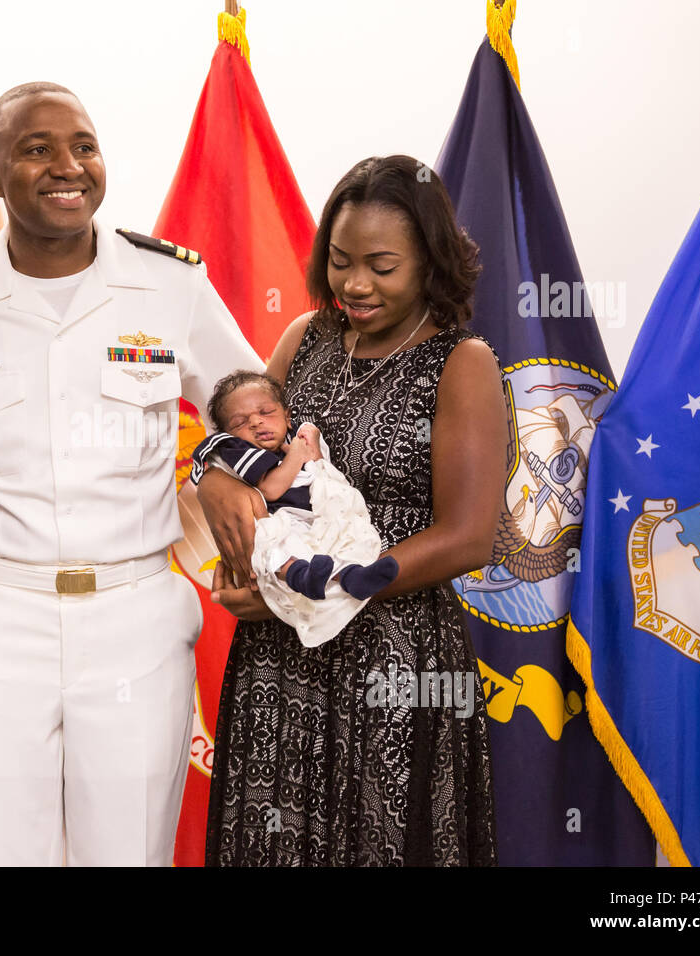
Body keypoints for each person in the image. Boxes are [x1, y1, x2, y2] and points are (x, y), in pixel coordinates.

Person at [0, 82, 262, 866]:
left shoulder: (169, 284)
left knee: (128, 855)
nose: (66, 166)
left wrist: (214, 466)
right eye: (36, 149)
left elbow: (246, 412)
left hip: (136, 616)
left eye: (83, 145)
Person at [194, 155, 507, 866]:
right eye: (339, 261)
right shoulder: (303, 338)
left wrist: (324, 590)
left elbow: (467, 538)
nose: (354, 285)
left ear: (430, 262)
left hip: (394, 660)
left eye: (381, 265)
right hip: (281, 660)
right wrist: (212, 477)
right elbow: (235, 445)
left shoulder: (463, 363)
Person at [194, 370, 398, 647]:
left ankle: (352, 575)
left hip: (309, 517)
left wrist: (310, 440)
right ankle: (298, 575)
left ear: (287, 416)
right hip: (276, 518)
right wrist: (297, 455)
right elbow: (271, 489)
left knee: (337, 539)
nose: (256, 422)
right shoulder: (236, 449)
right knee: (272, 543)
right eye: (240, 422)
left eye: (266, 411)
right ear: (228, 433)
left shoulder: (291, 435)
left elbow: (318, 462)